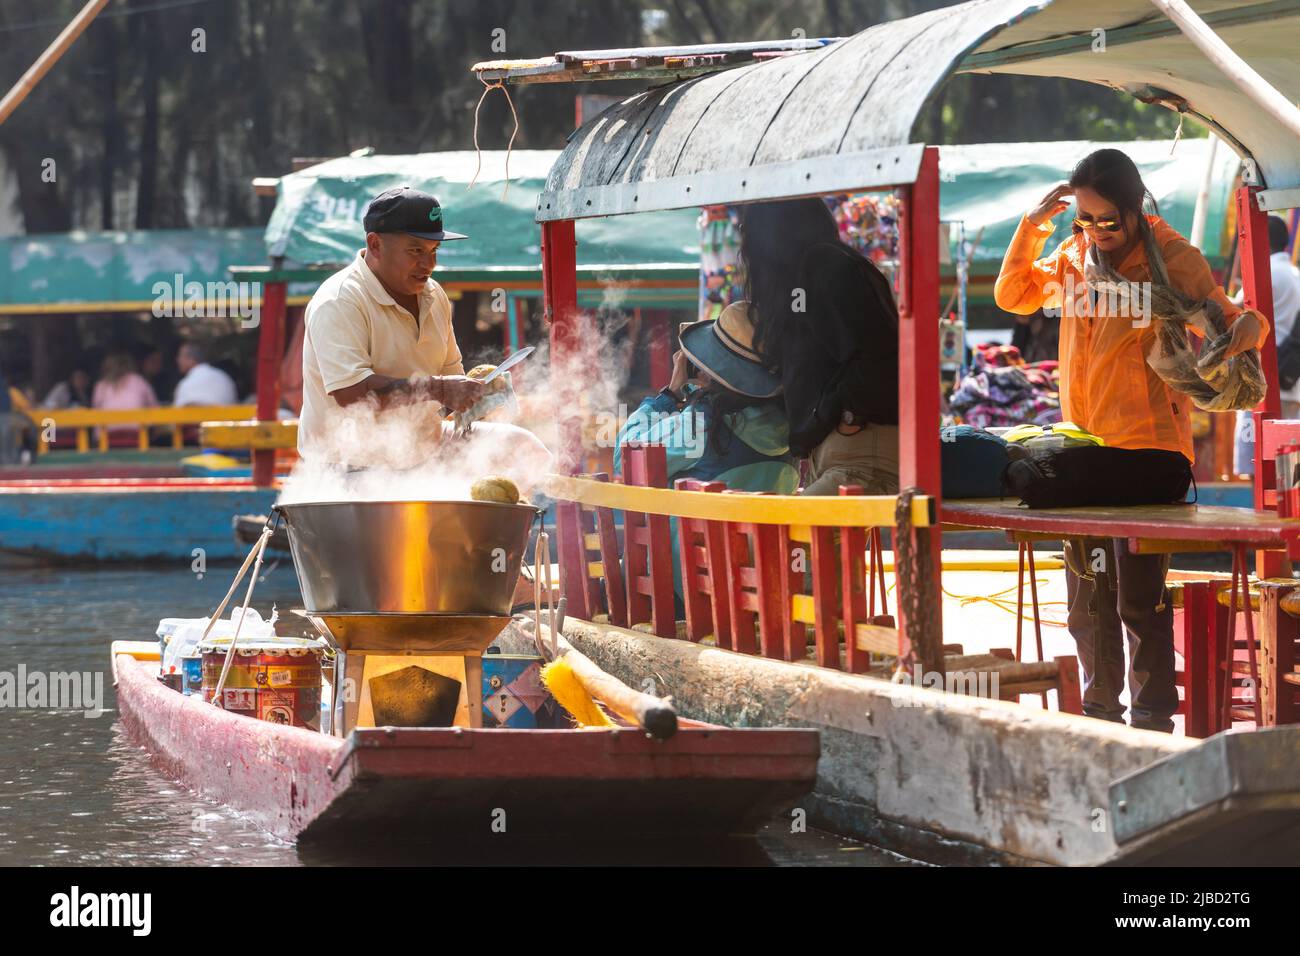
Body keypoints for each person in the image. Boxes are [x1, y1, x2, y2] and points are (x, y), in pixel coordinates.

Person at [995, 147, 1267, 732]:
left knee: (1139, 602)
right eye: (1084, 219)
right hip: (1086, 453)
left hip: (1148, 456)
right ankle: (1098, 721)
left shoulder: (1170, 257)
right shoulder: (1071, 255)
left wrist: (1245, 330)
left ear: (1135, 206)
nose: (1096, 231)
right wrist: (1035, 224)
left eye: (1108, 220)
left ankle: (1150, 725)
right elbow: (1014, 295)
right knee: (1087, 601)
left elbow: (1229, 317)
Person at [298, 185, 549, 485]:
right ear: (375, 244)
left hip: (422, 453)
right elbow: (351, 394)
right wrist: (440, 389)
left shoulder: (434, 296)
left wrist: (477, 397)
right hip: (348, 469)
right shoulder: (339, 300)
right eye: (416, 250)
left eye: (433, 251)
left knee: (526, 450)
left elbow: (448, 381)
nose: (429, 264)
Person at [613, 302, 798, 594]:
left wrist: (669, 395)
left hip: (684, 591)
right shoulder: (789, 427)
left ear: (711, 371)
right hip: (755, 590)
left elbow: (627, 457)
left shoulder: (702, 425)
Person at [739, 198, 900, 495]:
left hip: (859, 451)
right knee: (785, 538)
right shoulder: (812, 271)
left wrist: (845, 415)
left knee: (775, 538)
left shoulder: (825, 264)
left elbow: (878, 356)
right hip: (842, 451)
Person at [1234, 215, 1300, 475]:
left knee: (1256, 470)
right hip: (1291, 382)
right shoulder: (1295, 274)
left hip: (1259, 385)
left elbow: (1234, 312)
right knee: (1290, 472)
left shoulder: (1265, 271)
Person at [92, 351, 158, 438]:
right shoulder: (138, 381)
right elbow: (154, 408)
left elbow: (95, 413)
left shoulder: (101, 386)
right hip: (137, 437)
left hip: (106, 439)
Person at [173, 341, 238, 406]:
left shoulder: (187, 383)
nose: (177, 360)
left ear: (191, 359)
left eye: (180, 356)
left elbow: (178, 413)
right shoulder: (224, 378)